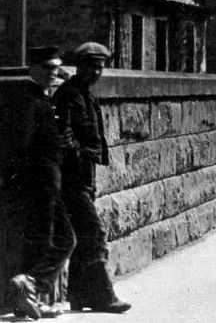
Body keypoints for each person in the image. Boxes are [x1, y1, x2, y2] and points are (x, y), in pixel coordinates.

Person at [52, 42, 130, 314]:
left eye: (100, 67)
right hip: (72, 178)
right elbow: (64, 136)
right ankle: (103, 295)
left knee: (83, 235)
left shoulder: (84, 94)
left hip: (84, 177)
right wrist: (80, 157)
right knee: (94, 233)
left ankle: (79, 295)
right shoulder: (69, 95)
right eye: (91, 67)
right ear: (80, 67)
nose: (96, 72)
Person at [3, 45, 74, 320]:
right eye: (47, 67)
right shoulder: (28, 101)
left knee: (57, 239)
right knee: (56, 240)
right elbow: (20, 146)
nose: (53, 72)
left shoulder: (41, 96)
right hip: (39, 185)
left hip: (49, 183)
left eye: (56, 67)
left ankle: (29, 292)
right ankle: (30, 286)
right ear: (32, 68)